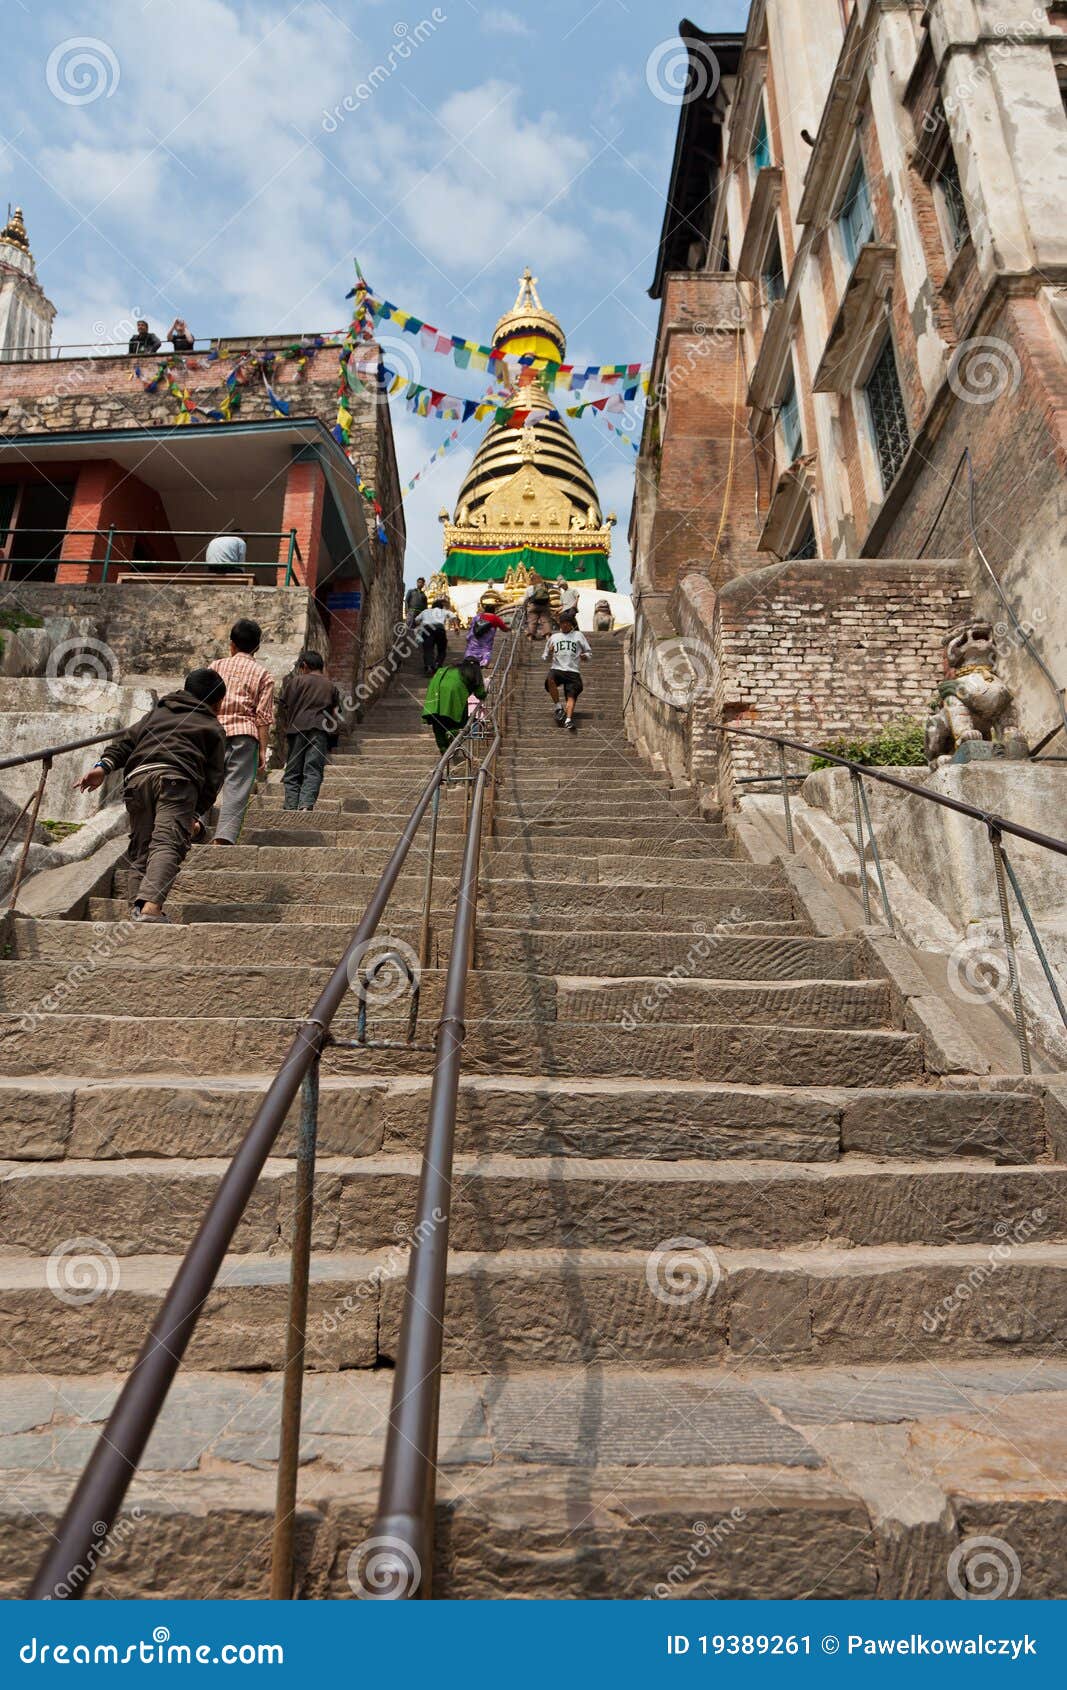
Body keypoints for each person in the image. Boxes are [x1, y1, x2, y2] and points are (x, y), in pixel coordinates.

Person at [74, 668, 227, 923]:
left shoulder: (157, 713)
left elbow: (125, 743)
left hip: (138, 782)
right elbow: (214, 777)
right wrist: (196, 812)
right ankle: (151, 908)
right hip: (177, 781)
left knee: (141, 847)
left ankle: (136, 910)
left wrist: (102, 768)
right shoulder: (212, 726)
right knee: (168, 843)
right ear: (216, 702)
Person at [209, 619, 275, 844]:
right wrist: (263, 749)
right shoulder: (263, 675)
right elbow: (263, 717)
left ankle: (195, 824)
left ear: (232, 644)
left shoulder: (215, 667)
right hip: (245, 735)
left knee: (206, 781)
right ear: (257, 647)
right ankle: (223, 839)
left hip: (213, 732)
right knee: (237, 788)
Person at [278, 650, 341, 811]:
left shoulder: (295, 682)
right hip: (320, 732)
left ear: (304, 665)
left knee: (293, 771)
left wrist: (287, 727)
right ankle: (306, 805)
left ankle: (291, 805)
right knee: (313, 770)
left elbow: (283, 707)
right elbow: (335, 715)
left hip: (296, 730)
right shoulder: (330, 686)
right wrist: (333, 739)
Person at [422, 657, 486, 754]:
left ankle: (444, 749)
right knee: (461, 723)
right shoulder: (473, 673)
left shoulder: (449, 669)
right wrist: (484, 693)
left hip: (434, 696)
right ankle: (452, 733)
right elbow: (480, 693)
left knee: (438, 722)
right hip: (454, 698)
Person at [543, 610, 592, 731]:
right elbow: (544, 657)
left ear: (571, 624)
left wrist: (585, 656)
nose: (565, 625)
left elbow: (589, 653)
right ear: (559, 624)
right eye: (562, 623)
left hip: (572, 670)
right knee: (550, 678)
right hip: (557, 668)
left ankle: (568, 720)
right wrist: (550, 653)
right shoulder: (554, 637)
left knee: (571, 695)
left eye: (567, 623)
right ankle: (558, 707)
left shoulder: (578, 635)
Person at [464, 603, 509, 668]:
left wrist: (468, 637)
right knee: (486, 650)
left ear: (485, 610)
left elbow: (471, 627)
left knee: (472, 650)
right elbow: (504, 629)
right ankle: (483, 663)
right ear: (494, 610)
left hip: (475, 639)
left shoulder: (477, 617)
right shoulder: (495, 618)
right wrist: (509, 629)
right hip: (486, 641)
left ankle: (469, 661)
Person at [415, 598, 449, 675]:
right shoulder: (442, 612)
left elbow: (416, 620)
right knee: (441, 649)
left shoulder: (425, 611)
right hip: (440, 630)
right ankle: (437, 664)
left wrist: (421, 623)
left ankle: (429, 666)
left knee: (428, 649)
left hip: (427, 630)